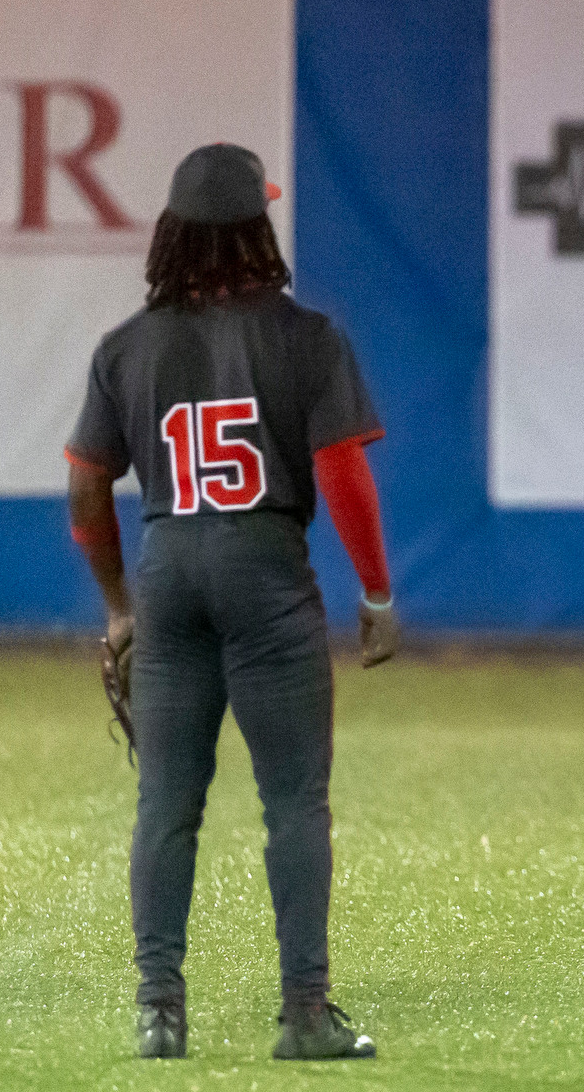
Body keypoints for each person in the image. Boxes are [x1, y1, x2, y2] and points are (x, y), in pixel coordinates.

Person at [65, 143, 399, 1060]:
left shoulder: (126, 346)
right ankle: (305, 1015)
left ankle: (159, 1011)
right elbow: (342, 473)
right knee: (293, 803)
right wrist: (375, 590)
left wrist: (119, 606)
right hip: (265, 573)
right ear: (259, 226)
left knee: (167, 804)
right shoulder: (308, 338)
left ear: (172, 232)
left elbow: (87, 486)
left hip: (169, 570)